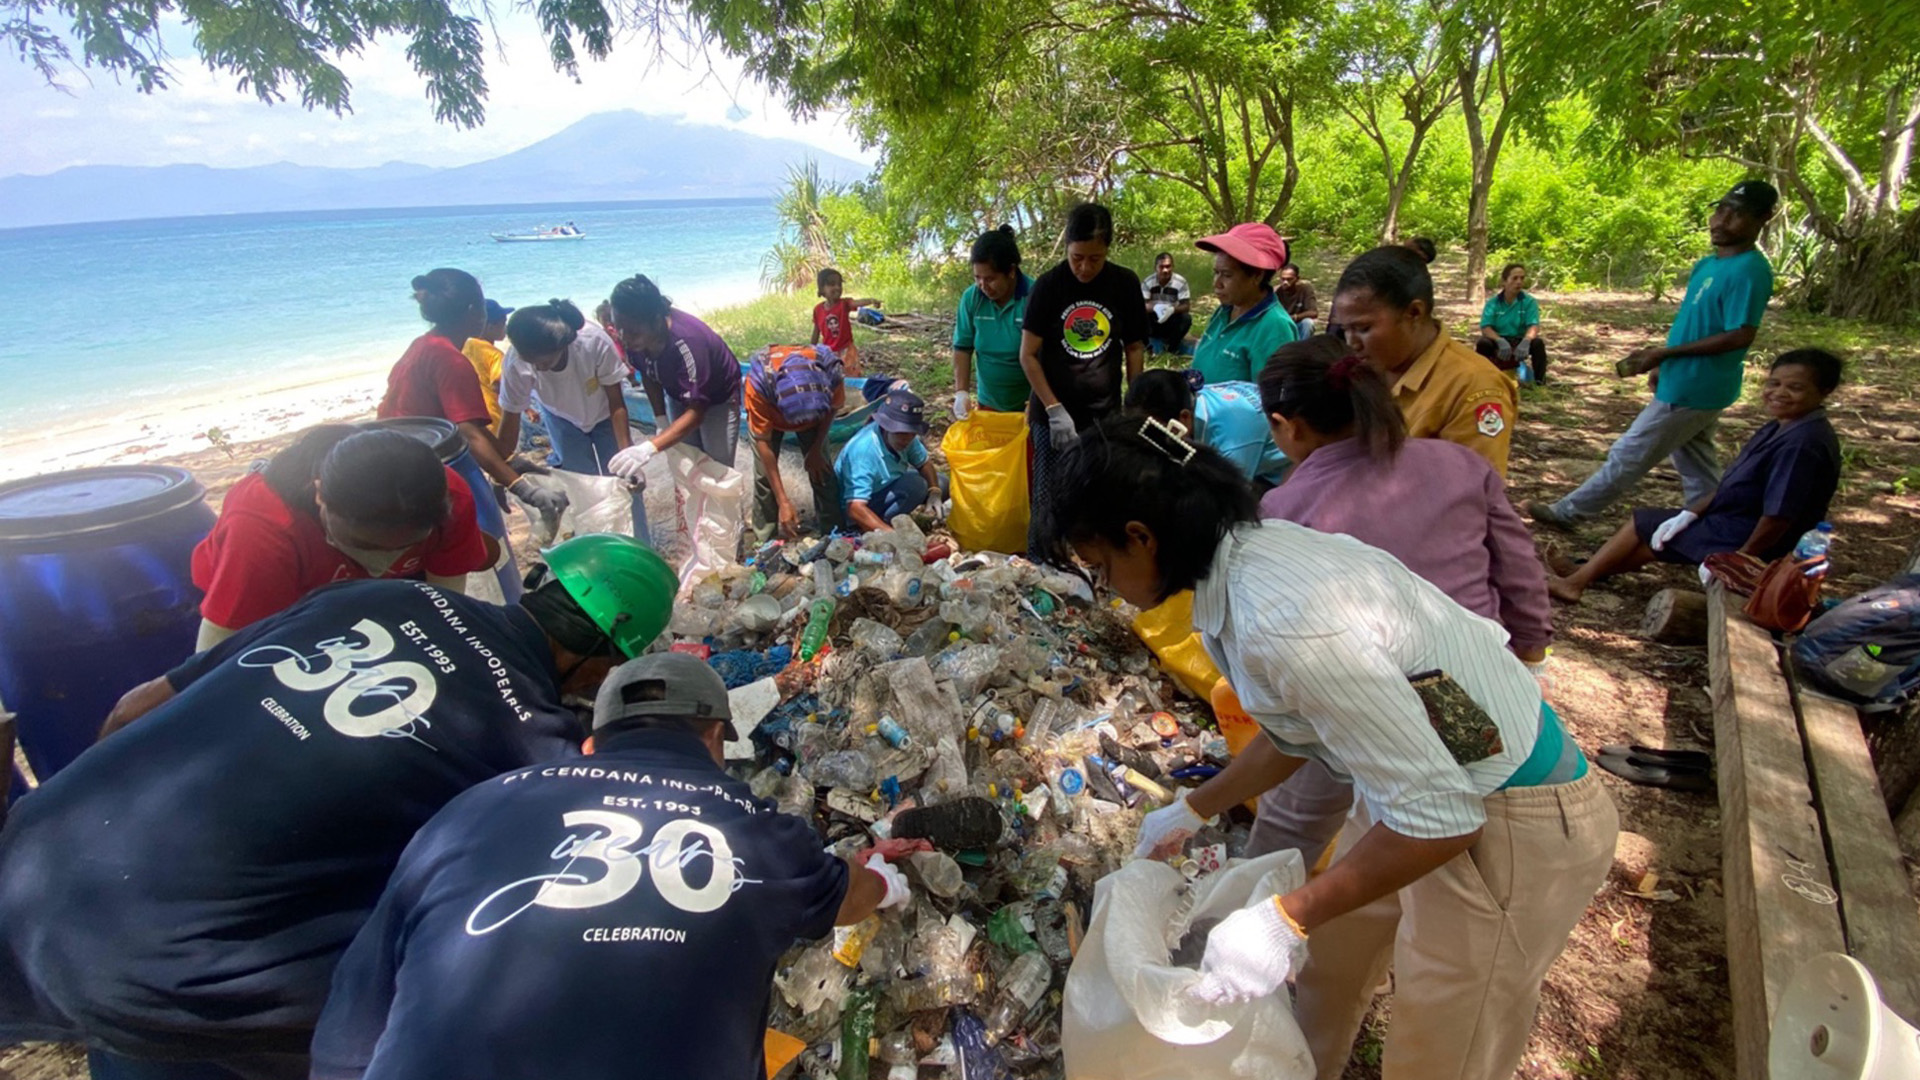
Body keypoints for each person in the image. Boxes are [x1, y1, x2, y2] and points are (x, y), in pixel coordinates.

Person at [1042, 418, 1616, 1080]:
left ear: (1141, 537)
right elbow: (1301, 731)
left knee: (1442, 1048)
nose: (1106, 584)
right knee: (1330, 972)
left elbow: (1446, 820)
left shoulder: (1285, 618)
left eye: (1102, 564)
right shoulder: (1241, 561)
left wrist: (1286, 917)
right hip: (1421, 784)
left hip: (1509, 820)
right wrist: (1196, 808)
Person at [0, 535, 677, 1080]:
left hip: (33, 866)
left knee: (131, 1009)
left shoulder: (375, 598)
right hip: (168, 967)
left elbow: (130, 711)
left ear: (539, 580)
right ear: (603, 662)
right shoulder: (531, 741)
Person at [309, 653, 924, 1080]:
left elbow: (353, 1019)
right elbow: (848, 897)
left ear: (591, 743)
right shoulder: (757, 831)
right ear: (716, 737)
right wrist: (885, 879)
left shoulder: (476, 807)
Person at [1248, 336, 1555, 864]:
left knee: (1294, 821)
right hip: (1471, 691)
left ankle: (1246, 908)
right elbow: (1519, 566)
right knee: (1432, 831)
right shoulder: (1459, 464)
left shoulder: (1283, 508)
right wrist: (1529, 649)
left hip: (1364, 694)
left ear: (1287, 426)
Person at [1529, 181, 1778, 530]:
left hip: (1698, 385)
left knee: (1630, 453)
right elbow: (1693, 322)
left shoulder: (1750, 271)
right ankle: (1719, 524)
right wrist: (1663, 360)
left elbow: (1741, 334)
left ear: (1765, 218)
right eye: (1720, 209)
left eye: (1737, 214)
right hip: (1685, 378)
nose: (1722, 220)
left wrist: (1666, 353)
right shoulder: (1707, 265)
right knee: (1698, 464)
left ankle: (1569, 512)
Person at [1549, 348, 1842, 604]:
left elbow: (1779, 515)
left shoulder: (1803, 442)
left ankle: (1576, 581)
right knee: (1658, 533)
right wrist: (1690, 512)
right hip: (1733, 518)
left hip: (1751, 535)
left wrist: (1741, 558)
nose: (1779, 393)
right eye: (1774, 383)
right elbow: (1732, 482)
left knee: (1643, 525)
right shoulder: (1781, 427)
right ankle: (1584, 572)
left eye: (1795, 387)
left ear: (1823, 392)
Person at [189, 425, 496, 652]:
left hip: (376, 602)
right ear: (320, 495)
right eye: (364, 547)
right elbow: (217, 657)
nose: (381, 564)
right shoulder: (264, 531)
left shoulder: (448, 497)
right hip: (272, 610)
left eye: (406, 547)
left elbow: (440, 610)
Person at [379, 268, 569, 523]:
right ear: (472, 311)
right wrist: (523, 489)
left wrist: (508, 459)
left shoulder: (423, 345)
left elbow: (470, 426)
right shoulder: (451, 361)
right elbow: (469, 434)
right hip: (422, 465)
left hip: (391, 454)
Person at [1019, 202, 1149, 554]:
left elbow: (1134, 347)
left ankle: (1096, 566)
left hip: (1104, 413)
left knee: (1100, 495)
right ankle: (1043, 561)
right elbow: (1028, 355)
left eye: (1095, 258)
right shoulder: (1049, 286)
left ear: (1108, 250)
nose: (1085, 268)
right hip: (1052, 413)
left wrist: (1134, 406)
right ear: (1067, 247)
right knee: (1048, 496)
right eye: (1077, 257)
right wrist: (1054, 409)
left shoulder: (1123, 284)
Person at [1332, 246, 1517, 477]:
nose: (1352, 343)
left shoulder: (1473, 386)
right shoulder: (1364, 367)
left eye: (1363, 328)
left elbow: (1473, 494)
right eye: (1345, 330)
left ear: (1414, 313)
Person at [605, 274, 744, 476]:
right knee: (687, 460)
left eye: (633, 332)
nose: (625, 338)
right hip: (678, 391)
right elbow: (648, 374)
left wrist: (648, 448)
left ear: (656, 320)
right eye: (619, 329)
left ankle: (722, 505)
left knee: (717, 467)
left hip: (717, 397)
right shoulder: (635, 340)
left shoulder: (687, 345)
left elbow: (696, 413)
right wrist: (661, 420)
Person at [496, 300, 634, 476]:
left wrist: (627, 454)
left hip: (606, 413)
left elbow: (616, 402)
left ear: (562, 347)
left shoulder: (593, 342)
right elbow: (510, 418)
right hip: (560, 418)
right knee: (580, 480)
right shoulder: (516, 363)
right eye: (531, 362)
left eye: (543, 362)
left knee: (621, 473)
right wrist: (503, 473)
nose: (537, 368)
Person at [1125, 369, 1288, 490]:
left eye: (1153, 433)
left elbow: (1232, 500)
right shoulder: (1189, 397)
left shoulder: (1232, 440)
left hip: (1283, 474)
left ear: (1184, 418)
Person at [746, 343, 845, 542]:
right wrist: (783, 501)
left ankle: (834, 534)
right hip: (771, 420)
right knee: (765, 478)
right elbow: (763, 442)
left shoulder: (831, 373)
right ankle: (765, 540)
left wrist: (816, 449)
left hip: (817, 416)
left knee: (821, 470)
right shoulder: (758, 387)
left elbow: (832, 409)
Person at [1190, 223, 1298, 385]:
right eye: (1216, 273)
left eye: (1226, 275)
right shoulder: (1225, 310)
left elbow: (1271, 399)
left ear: (1257, 276)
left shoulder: (1274, 327)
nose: (1217, 283)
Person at [951, 225, 1032, 419]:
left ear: (1011, 271)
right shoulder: (972, 298)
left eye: (990, 279)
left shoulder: (1033, 296)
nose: (983, 285)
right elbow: (962, 347)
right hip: (989, 402)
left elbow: (1046, 358)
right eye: (977, 278)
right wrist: (961, 392)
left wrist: (1036, 402)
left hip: (1029, 404)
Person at [836, 387, 944, 533]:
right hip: (852, 507)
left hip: (886, 487)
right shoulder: (864, 452)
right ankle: (879, 525)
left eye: (911, 433)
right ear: (885, 426)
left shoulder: (908, 439)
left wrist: (934, 491)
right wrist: (892, 535)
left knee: (942, 483)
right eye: (900, 432)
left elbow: (924, 463)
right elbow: (854, 508)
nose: (906, 438)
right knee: (916, 485)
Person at [1476, 263, 1548, 384]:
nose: (1519, 282)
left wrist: (1526, 341)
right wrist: (1500, 340)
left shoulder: (1529, 302)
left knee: (1538, 344)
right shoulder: (1493, 303)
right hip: (1499, 340)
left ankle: (1540, 382)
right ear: (1504, 281)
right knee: (1483, 343)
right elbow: (1486, 327)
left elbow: (1533, 325)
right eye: (1514, 278)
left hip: (1519, 340)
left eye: (1522, 278)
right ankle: (1481, 378)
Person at [812, 268, 880, 376]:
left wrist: (871, 301)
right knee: (833, 377)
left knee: (852, 375)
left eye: (839, 284)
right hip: (829, 351)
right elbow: (816, 331)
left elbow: (857, 303)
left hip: (847, 349)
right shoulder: (818, 310)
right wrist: (812, 350)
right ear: (821, 289)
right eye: (832, 284)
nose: (837, 287)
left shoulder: (844, 304)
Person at [462, 299, 514, 439]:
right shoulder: (495, 355)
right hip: (494, 416)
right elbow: (498, 384)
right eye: (503, 322)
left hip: (473, 415)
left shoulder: (466, 345)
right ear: (490, 326)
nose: (505, 326)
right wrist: (524, 405)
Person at [1141, 252, 1192, 355]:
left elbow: (1186, 306)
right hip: (1153, 320)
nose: (1165, 270)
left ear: (1173, 266)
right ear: (1155, 268)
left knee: (1186, 318)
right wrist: (1155, 307)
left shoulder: (1180, 282)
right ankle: (1147, 344)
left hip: (1171, 319)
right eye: (1161, 267)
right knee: (1138, 316)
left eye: (1168, 266)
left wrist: (1172, 310)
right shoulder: (1148, 282)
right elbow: (1142, 305)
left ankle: (1171, 347)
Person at [1277, 263, 1318, 338]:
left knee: (1308, 323)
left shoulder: (1305, 289)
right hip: (1283, 325)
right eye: (1283, 279)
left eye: (1289, 279)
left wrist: (1295, 317)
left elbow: (1313, 312)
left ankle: (1302, 348)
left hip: (1298, 324)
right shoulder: (1276, 292)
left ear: (1297, 278)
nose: (1285, 282)